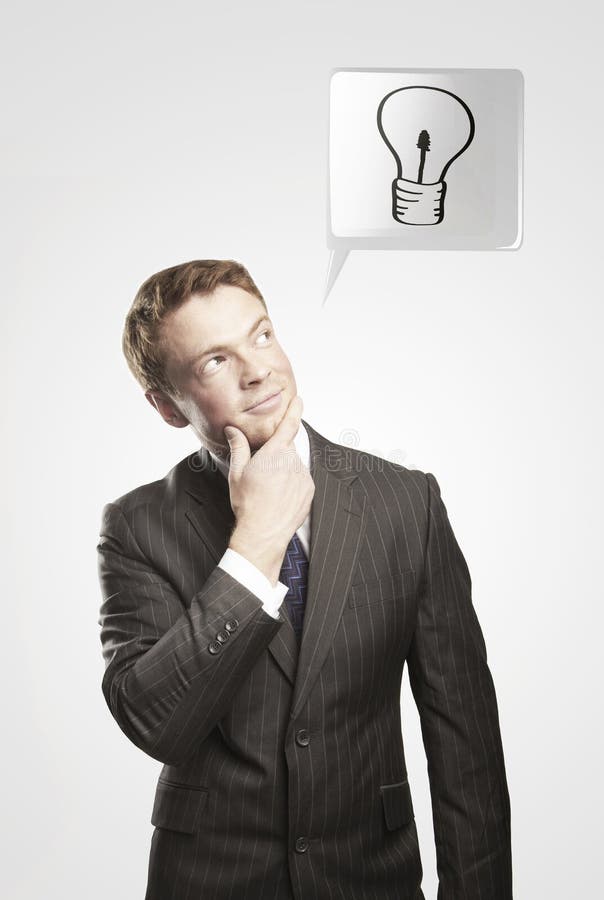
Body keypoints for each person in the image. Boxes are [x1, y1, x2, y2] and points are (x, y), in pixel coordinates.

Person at [97, 258, 513, 899]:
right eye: (214, 361)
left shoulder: (407, 502)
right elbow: (159, 725)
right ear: (166, 407)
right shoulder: (136, 526)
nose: (258, 369)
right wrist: (255, 546)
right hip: (210, 881)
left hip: (369, 879)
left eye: (261, 335)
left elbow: (466, 747)